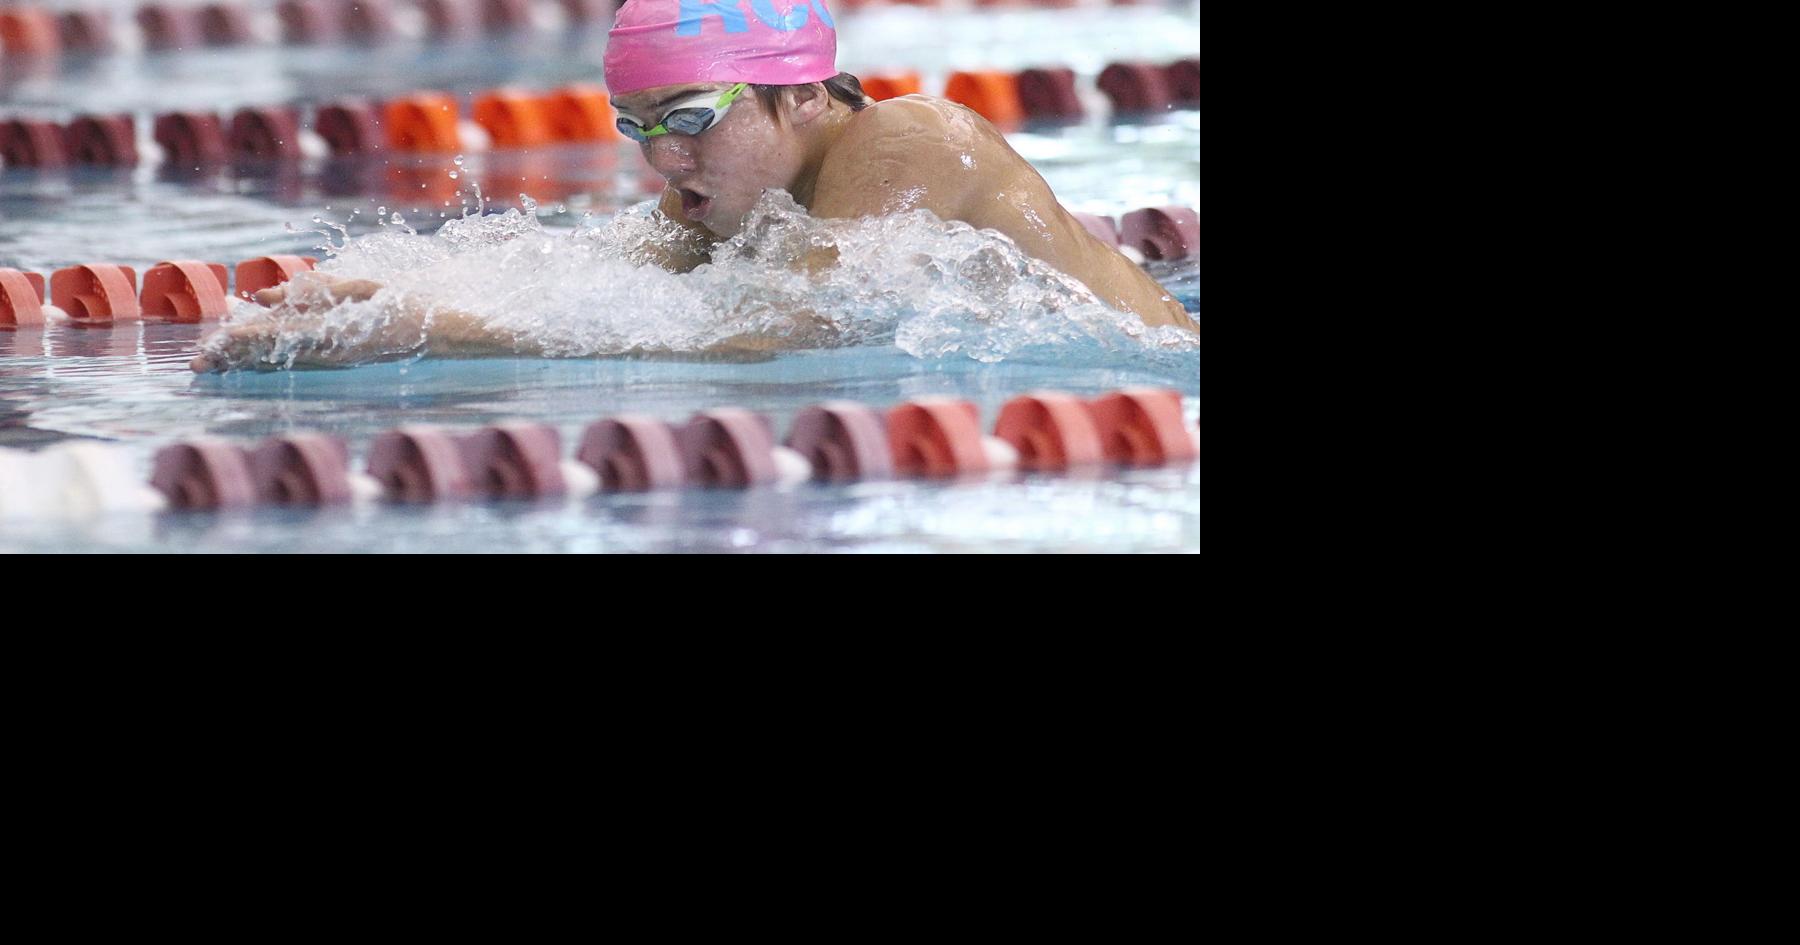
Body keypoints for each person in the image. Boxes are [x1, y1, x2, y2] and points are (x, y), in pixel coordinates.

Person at [193, 0, 1195, 372]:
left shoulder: (911, 137)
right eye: (637, 128)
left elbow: (787, 327)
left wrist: (439, 331)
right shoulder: (722, 204)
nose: (661, 161)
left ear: (800, 97)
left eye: (688, 121)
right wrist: (373, 304)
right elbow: (586, 290)